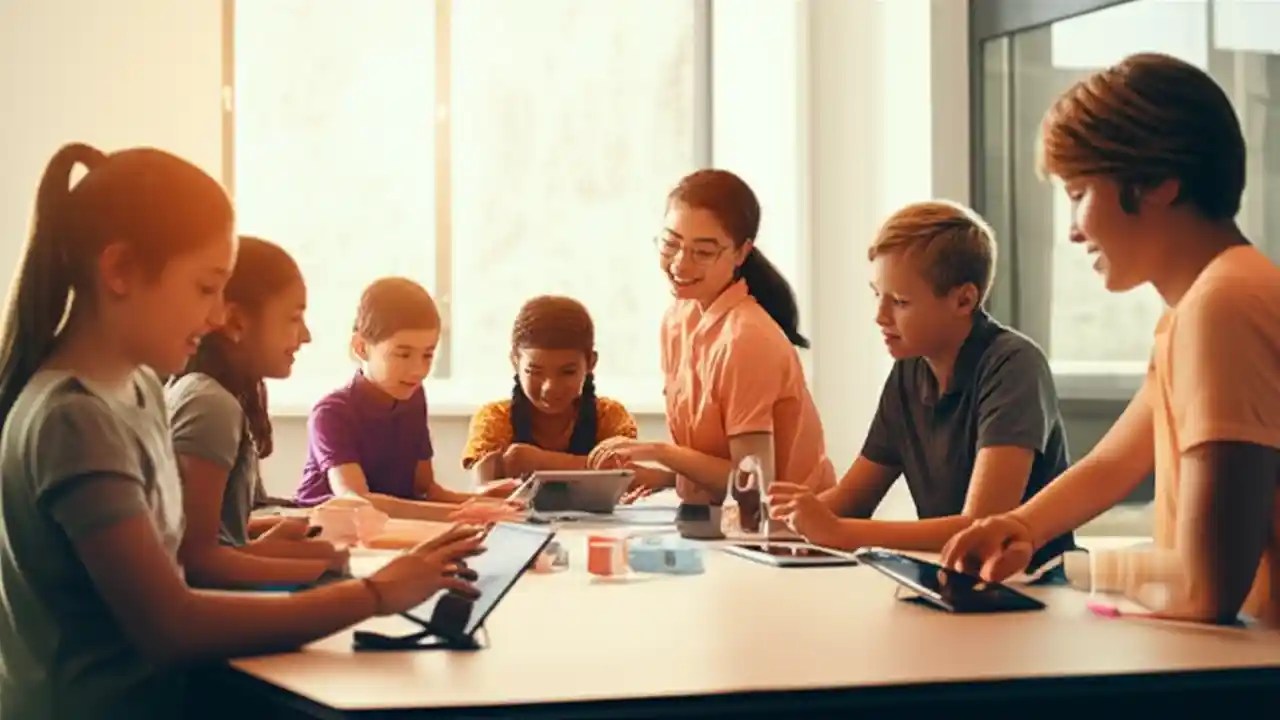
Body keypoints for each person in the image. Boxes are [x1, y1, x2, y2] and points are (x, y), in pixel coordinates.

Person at [0, 143, 485, 718]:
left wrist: (274, 552)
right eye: (206, 288)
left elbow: (181, 564)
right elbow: (171, 625)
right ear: (121, 270)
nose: (215, 318)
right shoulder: (72, 418)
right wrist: (373, 594)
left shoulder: (138, 393)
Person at [942, 53, 1280, 625]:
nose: (1073, 229)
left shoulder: (1225, 305)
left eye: (1078, 192)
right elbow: (1113, 463)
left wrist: (1077, 576)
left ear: (1159, 183)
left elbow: (1206, 590)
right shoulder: (1201, 306)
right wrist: (1019, 528)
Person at [768, 201, 1074, 570]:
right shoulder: (910, 369)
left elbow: (981, 526)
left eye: (899, 301)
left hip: (1030, 589)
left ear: (964, 299)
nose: (879, 316)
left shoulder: (1014, 365)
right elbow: (852, 501)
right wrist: (783, 516)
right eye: (876, 294)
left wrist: (842, 532)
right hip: (953, 583)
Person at [607, 169, 836, 505]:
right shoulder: (677, 319)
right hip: (718, 524)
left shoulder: (747, 338)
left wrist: (661, 452)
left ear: (741, 253)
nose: (680, 265)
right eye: (671, 243)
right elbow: (714, 466)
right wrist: (659, 477)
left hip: (790, 533)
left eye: (702, 252)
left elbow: (753, 486)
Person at [168, 235, 348, 589]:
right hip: (211, 615)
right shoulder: (210, 404)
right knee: (338, 567)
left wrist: (268, 537)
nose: (306, 336)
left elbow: (216, 536)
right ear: (235, 322)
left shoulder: (214, 396)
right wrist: (345, 577)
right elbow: (195, 561)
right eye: (294, 318)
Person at [294, 277, 520, 520]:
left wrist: (485, 501)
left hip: (389, 529)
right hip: (323, 532)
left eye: (427, 355)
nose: (418, 370)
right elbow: (358, 502)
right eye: (403, 355)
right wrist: (464, 512)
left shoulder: (412, 396)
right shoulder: (331, 413)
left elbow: (425, 491)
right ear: (361, 347)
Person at [462, 295, 667, 491]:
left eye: (567, 372)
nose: (550, 387)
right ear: (515, 362)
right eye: (535, 372)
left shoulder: (609, 416)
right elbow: (484, 489)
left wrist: (539, 462)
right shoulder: (495, 418)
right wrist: (589, 468)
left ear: (591, 363)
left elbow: (623, 475)